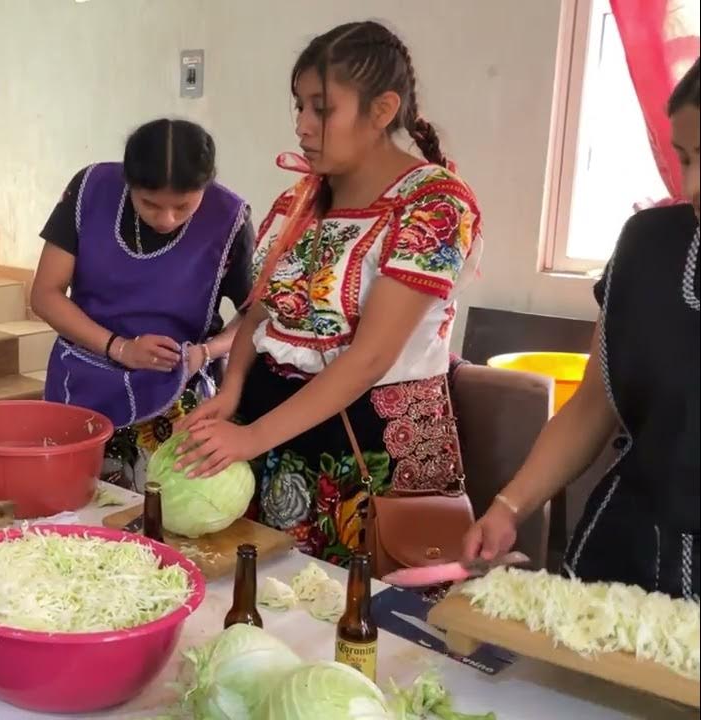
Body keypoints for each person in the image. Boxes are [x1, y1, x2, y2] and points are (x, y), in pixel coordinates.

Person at [178, 21, 483, 565]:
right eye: (298, 107)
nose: (302, 126)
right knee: (265, 596)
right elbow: (258, 313)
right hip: (275, 430)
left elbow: (369, 359)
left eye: (321, 109)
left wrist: (251, 439)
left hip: (369, 447)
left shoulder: (434, 206)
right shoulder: (300, 198)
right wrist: (232, 391)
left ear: (382, 109)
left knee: (352, 620)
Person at [463, 58, 700, 599]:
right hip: (623, 563)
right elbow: (595, 404)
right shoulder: (649, 247)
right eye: (684, 159)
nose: (692, 185)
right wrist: (509, 506)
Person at [34, 118, 255, 491]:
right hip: (85, 379)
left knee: (166, 514)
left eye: (183, 206)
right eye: (149, 204)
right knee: (79, 511)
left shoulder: (229, 218)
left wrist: (207, 351)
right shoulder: (91, 190)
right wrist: (118, 347)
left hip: (176, 393)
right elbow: (45, 294)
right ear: (128, 183)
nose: (166, 219)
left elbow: (254, 314)